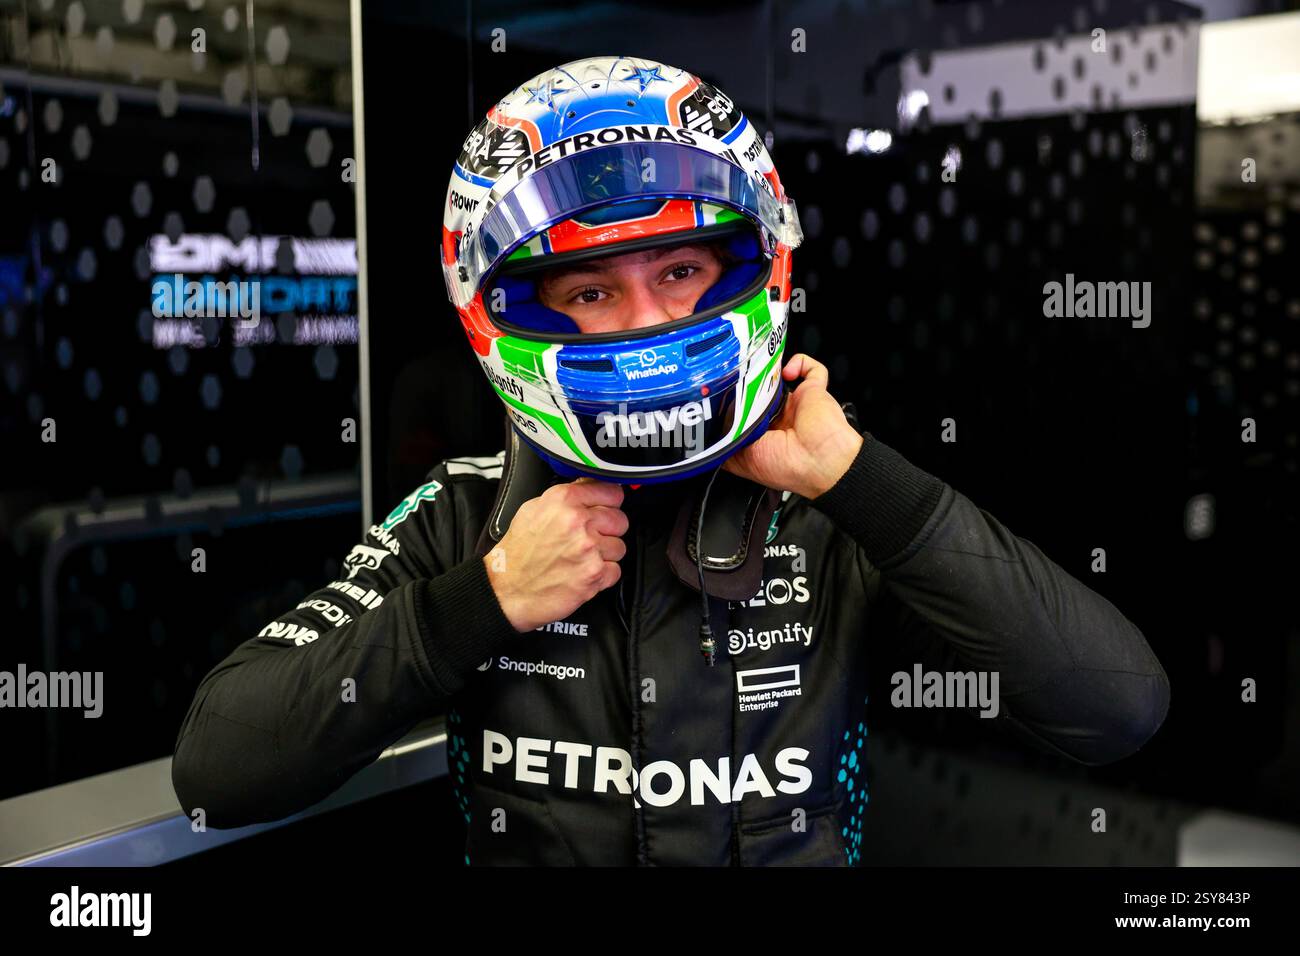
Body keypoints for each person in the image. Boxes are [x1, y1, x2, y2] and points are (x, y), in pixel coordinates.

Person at [172, 56, 1170, 866]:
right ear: (507, 309)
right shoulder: (464, 516)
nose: (649, 324)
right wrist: (482, 598)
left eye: (683, 271)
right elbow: (220, 767)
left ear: (751, 267)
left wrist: (864, 480)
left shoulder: (826, 514)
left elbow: (1115, 705)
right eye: (592, 291)